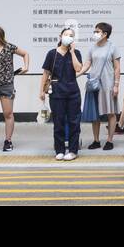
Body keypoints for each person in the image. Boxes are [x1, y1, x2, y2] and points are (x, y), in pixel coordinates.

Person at [40, 26, 84, 160]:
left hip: (72, 92)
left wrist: (72, 52)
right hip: (57, 92)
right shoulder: (52, 53)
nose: (68, 37)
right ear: (60, 36)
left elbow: (78, 68)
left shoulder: (76, 53)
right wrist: (41, 90)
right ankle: (59, 150)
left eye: (71, 35)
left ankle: (73, 150)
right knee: (58, 122)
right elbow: (45, 73)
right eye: (66, 34)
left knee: (74, 122)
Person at [80, 22, 121, 150]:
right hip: (94, 85)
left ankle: (109, 140)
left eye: (97, 31)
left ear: (105, 34)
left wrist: (116, 85)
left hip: (108, 85)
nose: (95, 33)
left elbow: (117, 68)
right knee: (94, 114)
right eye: (95, 31)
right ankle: (96, 140)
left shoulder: (113, 47)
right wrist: (79, 72)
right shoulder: (92, 47)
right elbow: (87, 63)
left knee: (111, 113)